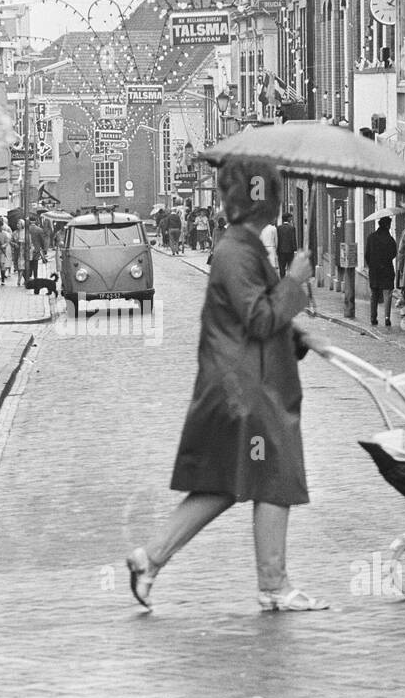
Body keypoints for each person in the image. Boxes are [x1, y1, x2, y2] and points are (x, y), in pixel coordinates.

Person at [125, 159, 327, 613]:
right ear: (266, 201)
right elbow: (258, 318)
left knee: (220, 484)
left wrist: (296, 335)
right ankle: (274, 585)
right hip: (248, 392)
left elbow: (250, 316)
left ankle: (149, 559)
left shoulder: (241, 247)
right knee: (275, 476)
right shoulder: (238, 253)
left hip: (235, 386)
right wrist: (294, 281)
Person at [364, 216, 398, 326]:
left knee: (374, 294)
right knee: (387, 294)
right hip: (387, 270)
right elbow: (394, 253)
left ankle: (373, 318)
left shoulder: (371, 237)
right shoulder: (390, 240)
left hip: (374, 270)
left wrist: (372, 265)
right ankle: (387, 318)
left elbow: (367, 255)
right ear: (388, 225)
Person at [275, 213, 297, 278]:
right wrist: (295, 248)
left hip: (281, 251)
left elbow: (277, 239)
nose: (291, 219)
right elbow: (293, 239)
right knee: (290, 267)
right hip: (290, 251)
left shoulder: (279, 228)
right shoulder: (292, 228)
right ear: (288, 219)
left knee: (282, 267)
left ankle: (282, 280)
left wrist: (277, 249)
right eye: (291, 218)